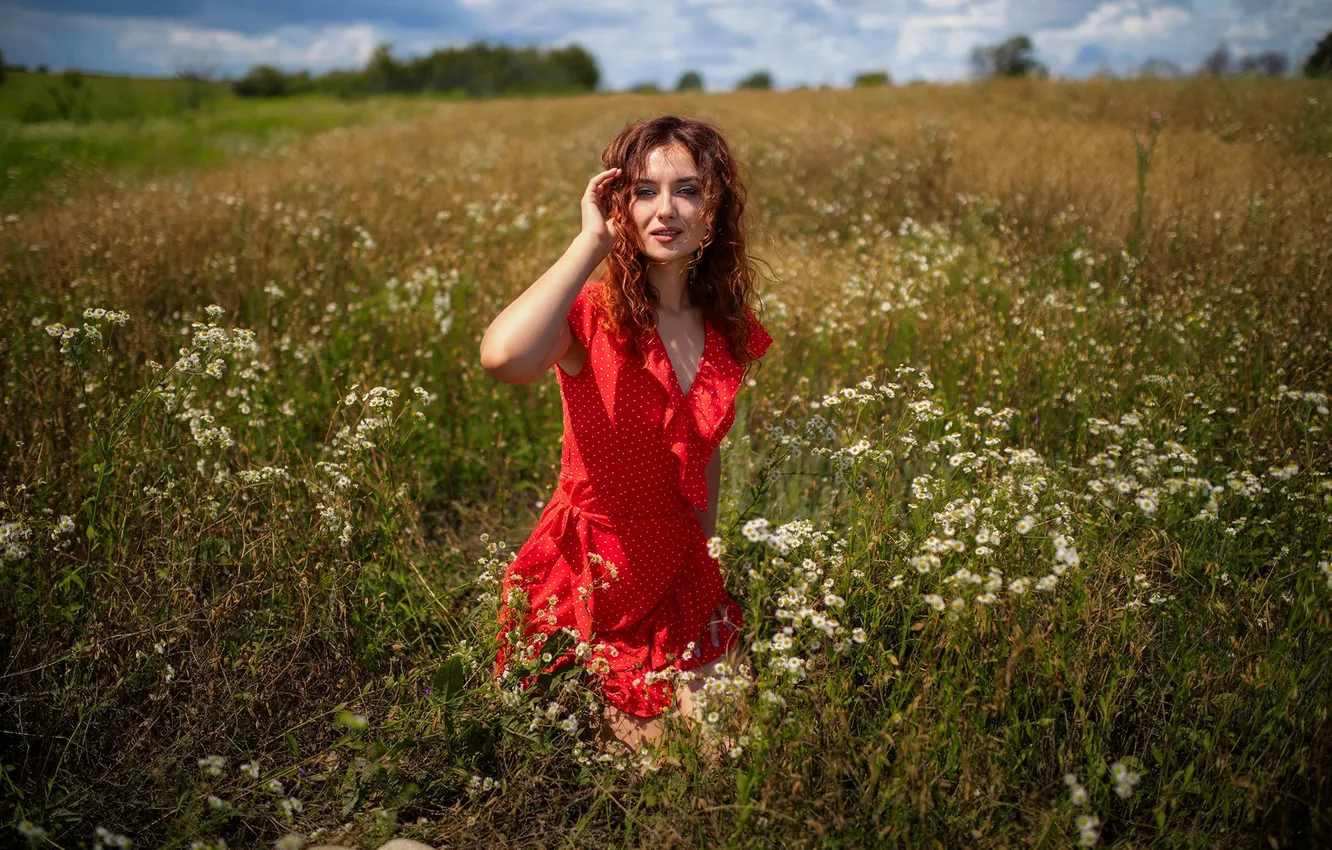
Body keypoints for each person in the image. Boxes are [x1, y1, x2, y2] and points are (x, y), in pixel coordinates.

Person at [479, 114, 773, 750]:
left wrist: (706, 556)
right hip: (592, 576)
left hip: (677, 565)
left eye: (688, 190)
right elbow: (503, 358)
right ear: (619, 204)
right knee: (657, 761)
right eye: (643, 191)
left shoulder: (726, 326)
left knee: (734, 743)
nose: (665, 210)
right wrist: (591, 243)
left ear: (714, 209)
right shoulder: (590, 316)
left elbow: (704, 454)